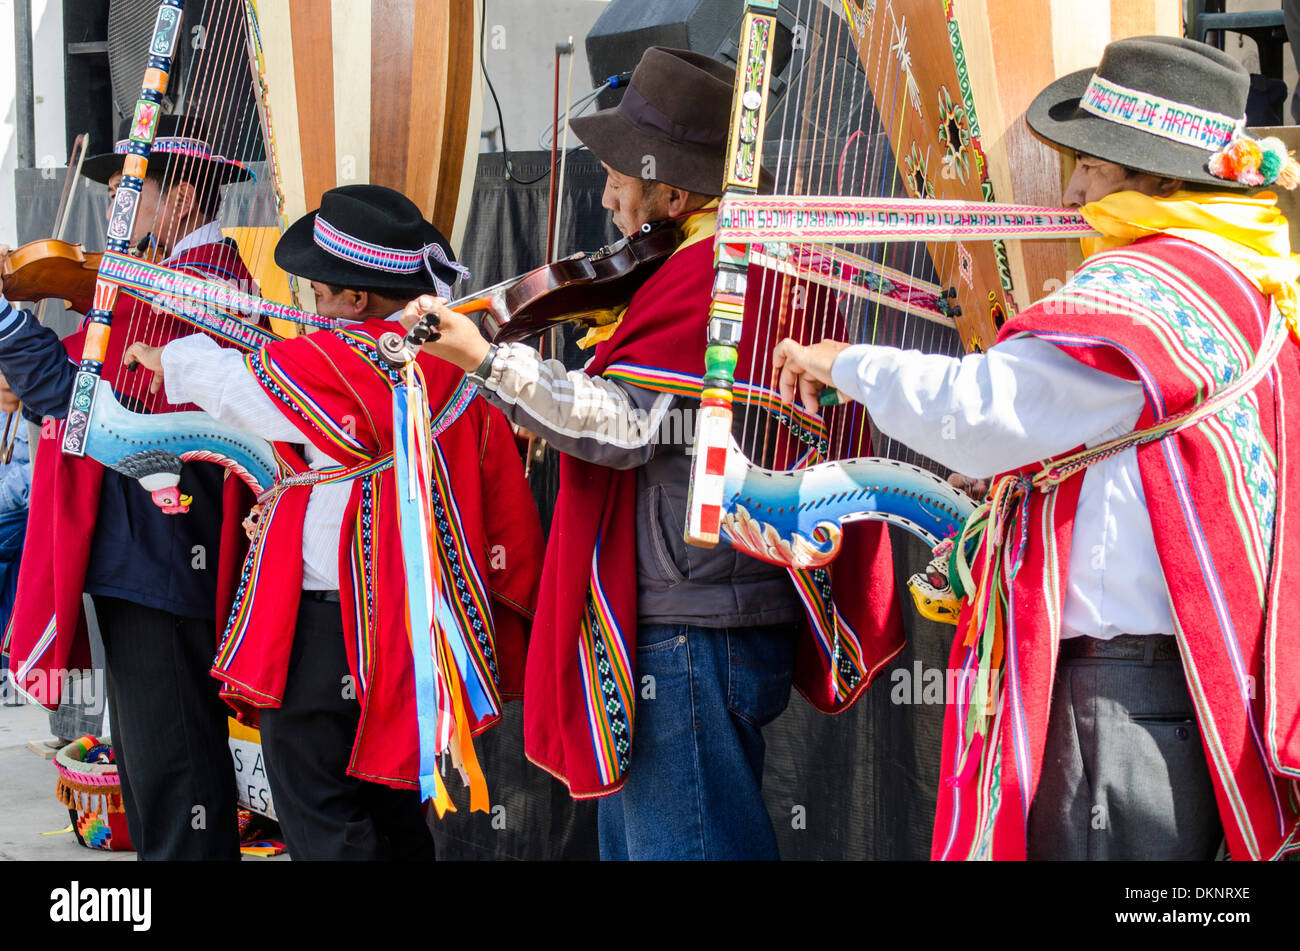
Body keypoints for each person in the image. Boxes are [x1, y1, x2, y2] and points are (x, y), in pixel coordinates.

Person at [774, 36, 1300, 860]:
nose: (1072, 189)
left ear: (1147, 177)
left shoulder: (1141, 294)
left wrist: (842, 359)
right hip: (1187, 688)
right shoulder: (1242, 286)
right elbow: (1116, 451)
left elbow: (982, 411)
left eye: (1090, 165)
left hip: (1114, 702)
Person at [396, 47, 901, 860]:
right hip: (707, 612)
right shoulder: (744, 257)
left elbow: (631, 426)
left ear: (673, 192)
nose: (606, 197)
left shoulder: (709, 273)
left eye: (620, 176)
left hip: (691, 625)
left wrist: (489, 360)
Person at [126, 184, 545, 860]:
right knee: (397, 813)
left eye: (321, 294)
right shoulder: (453, 359)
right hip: (415, 633)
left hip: (328, 630)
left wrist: (167, 358)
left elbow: (249, 388)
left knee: (321, 816)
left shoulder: (358, 358)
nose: (311, 309)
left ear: (357, 300)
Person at [0, 115, 256, 859]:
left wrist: (13, 330)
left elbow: (72, 399)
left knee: (175, 781)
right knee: (154, 780)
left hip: (164, 561)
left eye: (125, 193)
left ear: (178, 202)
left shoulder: (192, 290)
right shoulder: (169, 284)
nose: (113, 213)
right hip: (153, 563)